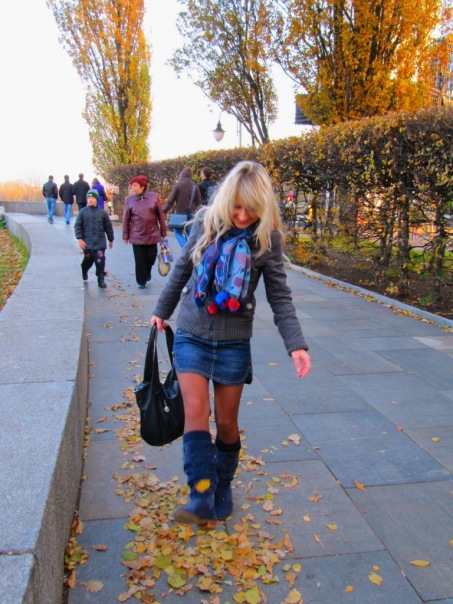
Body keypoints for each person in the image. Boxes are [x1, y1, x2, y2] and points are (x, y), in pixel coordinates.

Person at [151, 161, 312, 528]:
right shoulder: (206, 223)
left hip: (233, 342)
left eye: (251, 209)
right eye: (237, 207)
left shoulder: (267, 239)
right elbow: (182, 269)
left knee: (226, 423)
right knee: (195, 409)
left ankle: (222, 485)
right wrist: (162, 310)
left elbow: (280, 297)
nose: (242, 216)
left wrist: (296, 345)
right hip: (192, 332)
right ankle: (200, 493)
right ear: (226, 200)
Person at [122, 175, 167, 289]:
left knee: (151, 257)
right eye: (132, 186)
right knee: (139, 260)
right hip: (136, 235)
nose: (132, 188)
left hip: (152, 234)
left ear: (142, 186)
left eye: (135, 186)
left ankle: (148, 270)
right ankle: (141, 281)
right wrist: (125, 235)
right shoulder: (129, 200)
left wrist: (163, 232)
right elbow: (126, 219)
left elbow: (160, 215)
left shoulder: (153, 197)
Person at [74, 189, 114, 288]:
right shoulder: (83, 212)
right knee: (88, 259)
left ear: (96, 200)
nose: (90, 200)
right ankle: (84, 269)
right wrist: (80, 239)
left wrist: (111, 239)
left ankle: (101, 279)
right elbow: (78, 226)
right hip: (87, 242)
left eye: (92, 198)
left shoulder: (102, 213)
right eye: (89, 198)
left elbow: (108, 227)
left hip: (99, 242)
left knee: (100, 260)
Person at [163, 167, 202, 248]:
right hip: (192, 214)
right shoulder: (195, 186)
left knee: (177, 232)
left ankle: (185, 249)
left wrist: (164, 211)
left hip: (180, 213)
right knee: (190, 234)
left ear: (182, 175)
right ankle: (189, 250)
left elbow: (170, 201)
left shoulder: (178, 185)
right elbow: (199, 203)